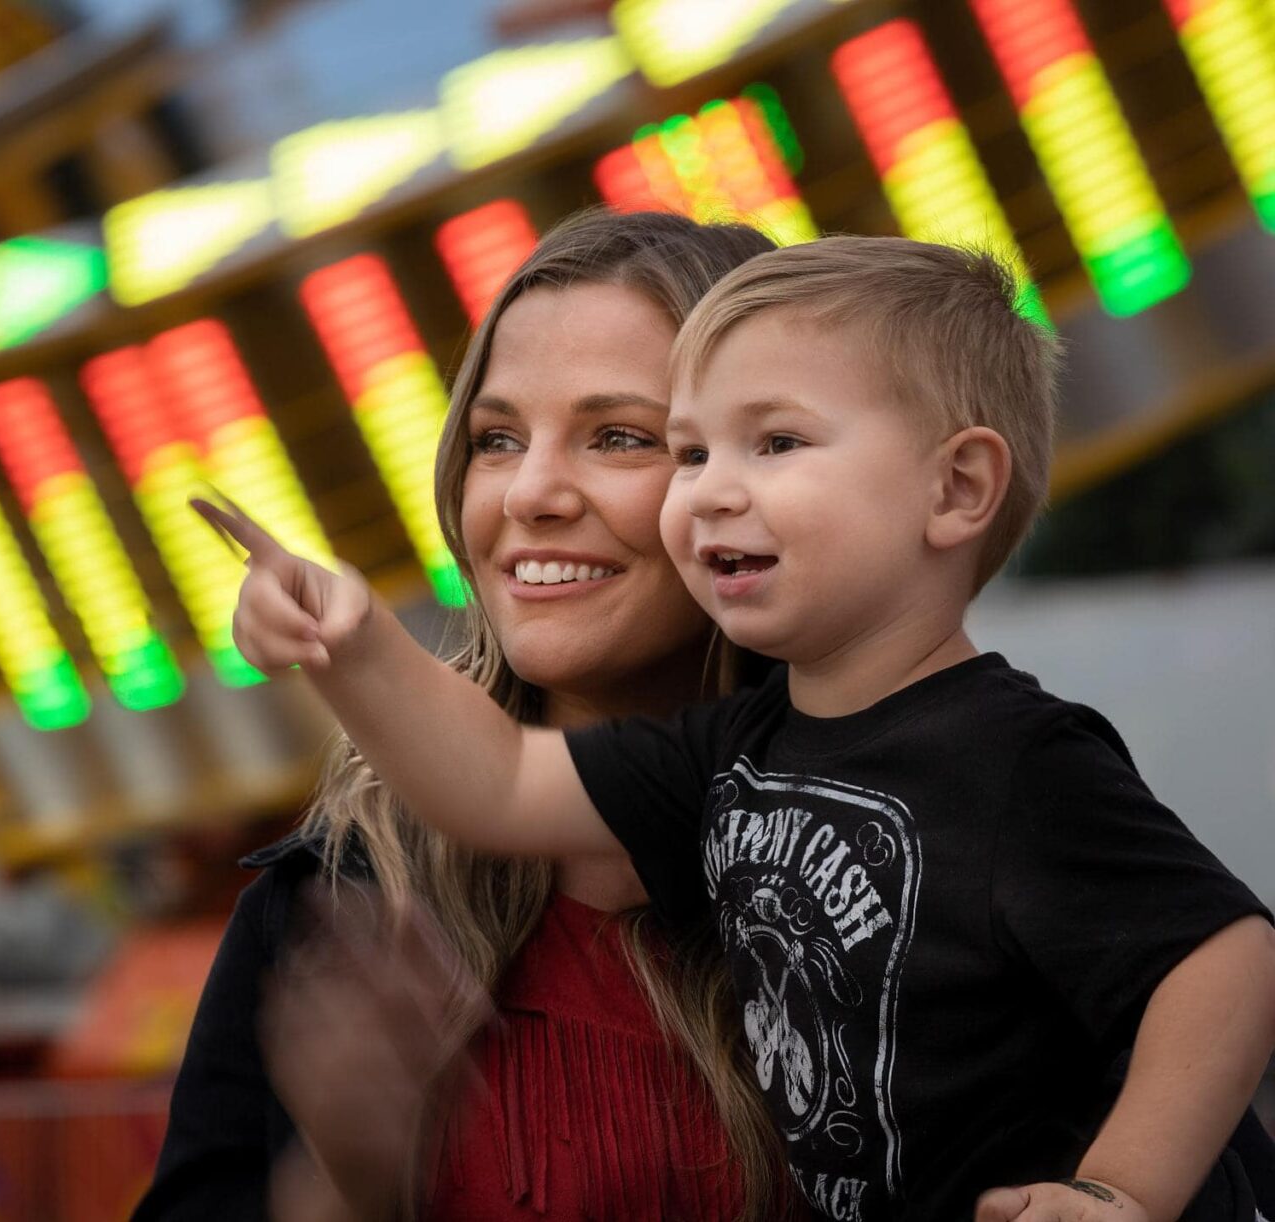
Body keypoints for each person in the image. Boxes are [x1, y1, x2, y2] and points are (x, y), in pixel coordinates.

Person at [209, 235, 1275, 1221]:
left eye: (623, 437)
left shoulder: (1017, 759)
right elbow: (494, 781)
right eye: (689, 451)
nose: (713, 490)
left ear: (957, 486)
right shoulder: (733, 757)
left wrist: (1115, 1190)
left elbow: (1224, 956)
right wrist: (348, 639)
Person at [133, 210, 802, 1222]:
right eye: (497, 440)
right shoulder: (337, 906)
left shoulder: (902, 856)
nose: (529, 493)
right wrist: (346, 1187)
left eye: (618, 436)